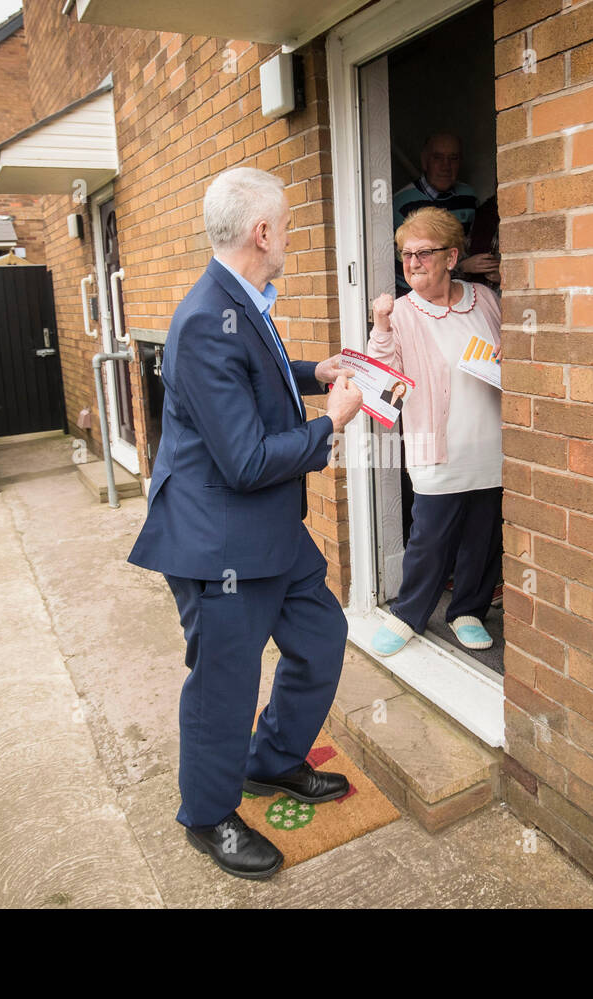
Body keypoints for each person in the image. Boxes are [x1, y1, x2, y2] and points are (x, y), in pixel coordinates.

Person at [126, 166, 364, 880]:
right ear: (262, 233)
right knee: (223, 686)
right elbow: (247, 460)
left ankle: (273, 760)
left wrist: (309, 370)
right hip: (218, 539)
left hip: (270, 532)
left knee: (322, 635)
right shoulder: (204, 317)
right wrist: (332, 426)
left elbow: (252, 370)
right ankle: (207, 815)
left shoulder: (238, 298)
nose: (290, 237)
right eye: (287, 226)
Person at [366, 206, 504, 656]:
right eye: (406, 254)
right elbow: (383, 387)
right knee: (429, 538)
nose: (412, 263)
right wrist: (381, 328)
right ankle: (409, 614)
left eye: (424, 253)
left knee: (483, 537)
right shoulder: (401, 313)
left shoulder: (483, 299)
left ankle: (468, 610)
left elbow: (510, 352)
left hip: (490, 441)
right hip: (437, 446)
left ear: (451, 256)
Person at [392, 133, 499, 293]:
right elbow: (404, 264)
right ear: (424, 161)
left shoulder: (469, 197)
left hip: (456, 293)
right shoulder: (400, 203)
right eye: (437, 157)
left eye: (453, 158)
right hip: (414, 294)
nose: (445, 166)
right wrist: (462, 267)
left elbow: (470, 246)